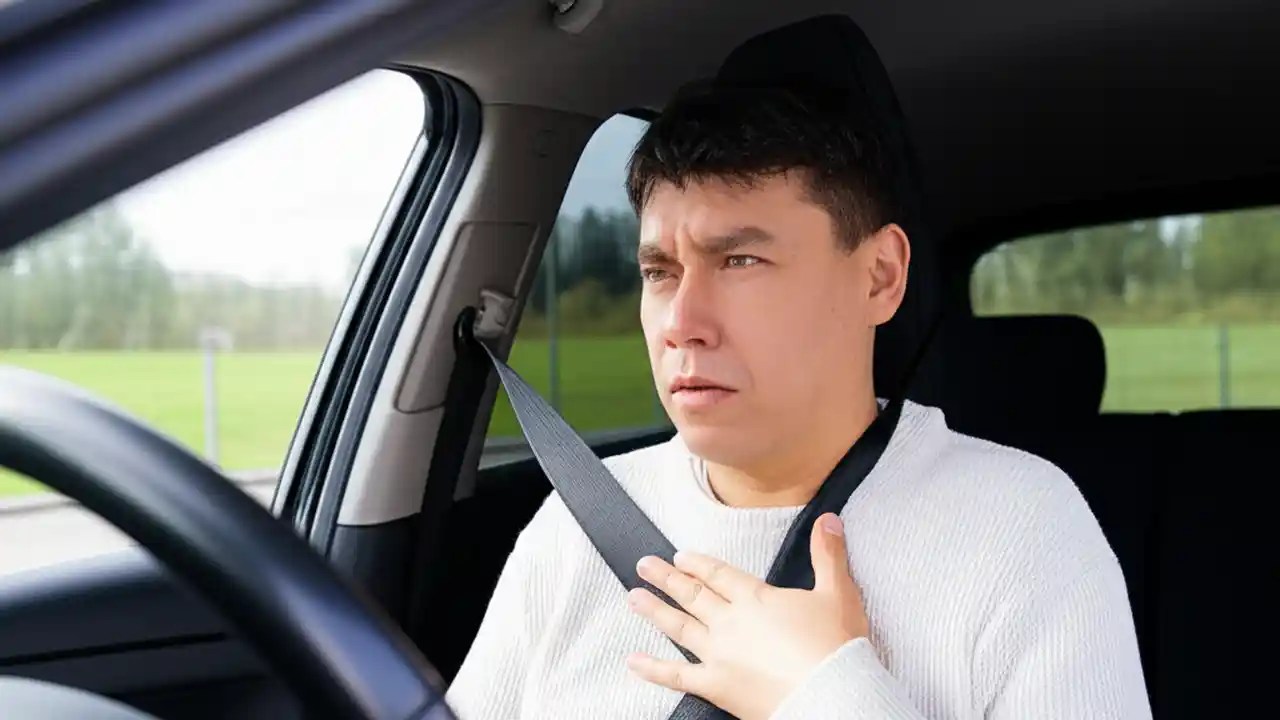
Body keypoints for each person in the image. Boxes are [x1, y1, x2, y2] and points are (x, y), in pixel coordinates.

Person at [445, 82, 1152, 720]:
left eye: (741, 261)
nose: (680, 321)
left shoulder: (1022, 529)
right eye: (659, 272)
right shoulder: (574, 528)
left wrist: (827, 695)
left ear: (879, 277)